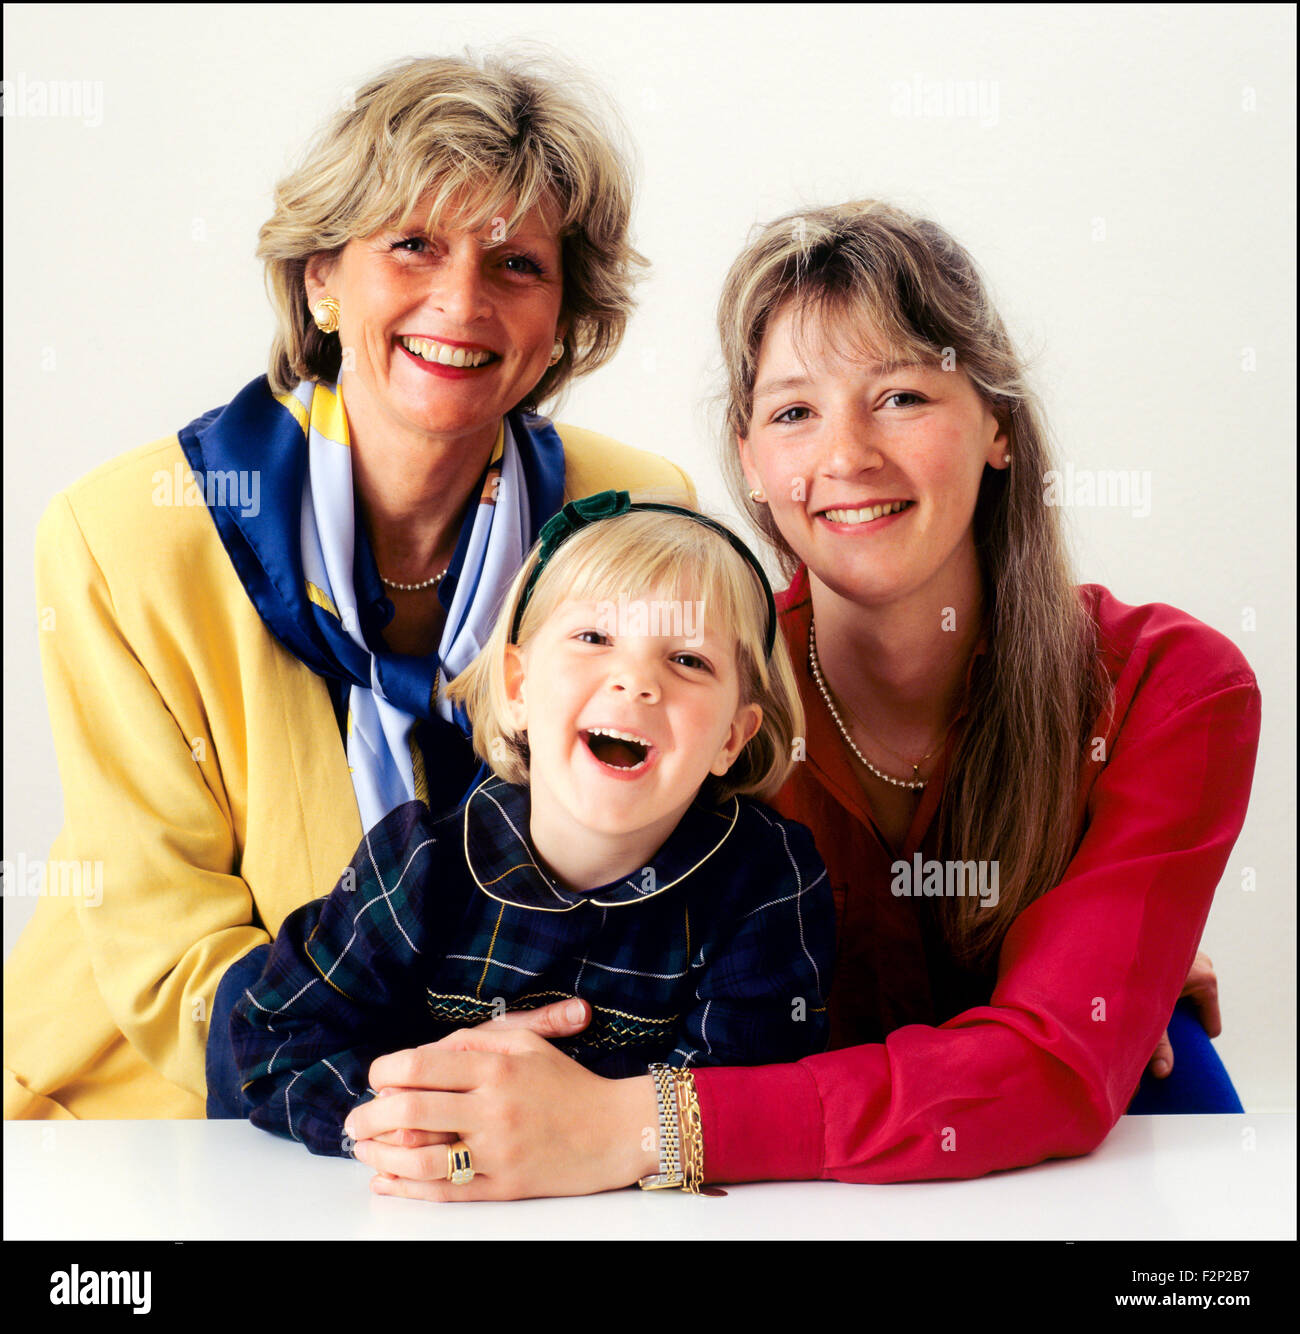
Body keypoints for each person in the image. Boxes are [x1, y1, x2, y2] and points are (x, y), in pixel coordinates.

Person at [338, 200, 1260, 1200]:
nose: (847, 456)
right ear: (750, 461)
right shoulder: (683, 697)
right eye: (792, 412)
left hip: (1097, 1183)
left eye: (901, 395)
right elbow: (491, 941)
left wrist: (647, 1121)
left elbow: (1053, 1067)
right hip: (787, 1204)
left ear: (997, 424)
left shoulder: (1170, 685)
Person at [3, 53, 697, 1122]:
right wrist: (417, 1082)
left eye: (517, 263)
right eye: (412, 245)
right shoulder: (125, 537)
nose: (461, 303)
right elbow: (164, 950)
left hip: (512, 1122)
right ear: (322, 278)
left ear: (564, 315)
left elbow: (662, 874)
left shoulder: (633, 519)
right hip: (150, 1119)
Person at [230, 495, 834, 1176]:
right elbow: (276, 1038)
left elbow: (736, 1104)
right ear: (517, 688)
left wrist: (588, 1125)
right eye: (595, 638)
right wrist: (411, 1117)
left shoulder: (763, 880)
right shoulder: (422, 864)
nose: (636, 681)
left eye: (689, 660)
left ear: (731, 737)